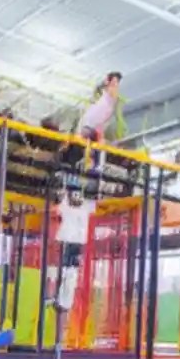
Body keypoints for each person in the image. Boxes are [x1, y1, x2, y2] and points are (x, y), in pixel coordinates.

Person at [54, 185, 97, 318]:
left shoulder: (81, 207)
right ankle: (63, 302)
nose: (77, 198)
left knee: (69, 272)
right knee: (67, 272)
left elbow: (62, 202)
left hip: (73, 242)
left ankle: (64, 302)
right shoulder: (79, 207)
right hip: (71, 242)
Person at [78, 72, 121, 168]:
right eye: (114, 84)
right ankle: (90, 164)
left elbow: (102, 121)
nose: (116, 87)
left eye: (117, 84)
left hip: (92, 128)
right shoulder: (104, 100)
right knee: (95, 146)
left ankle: (93, 165)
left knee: (99, 147)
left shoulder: (109, 103)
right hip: (88, 126)